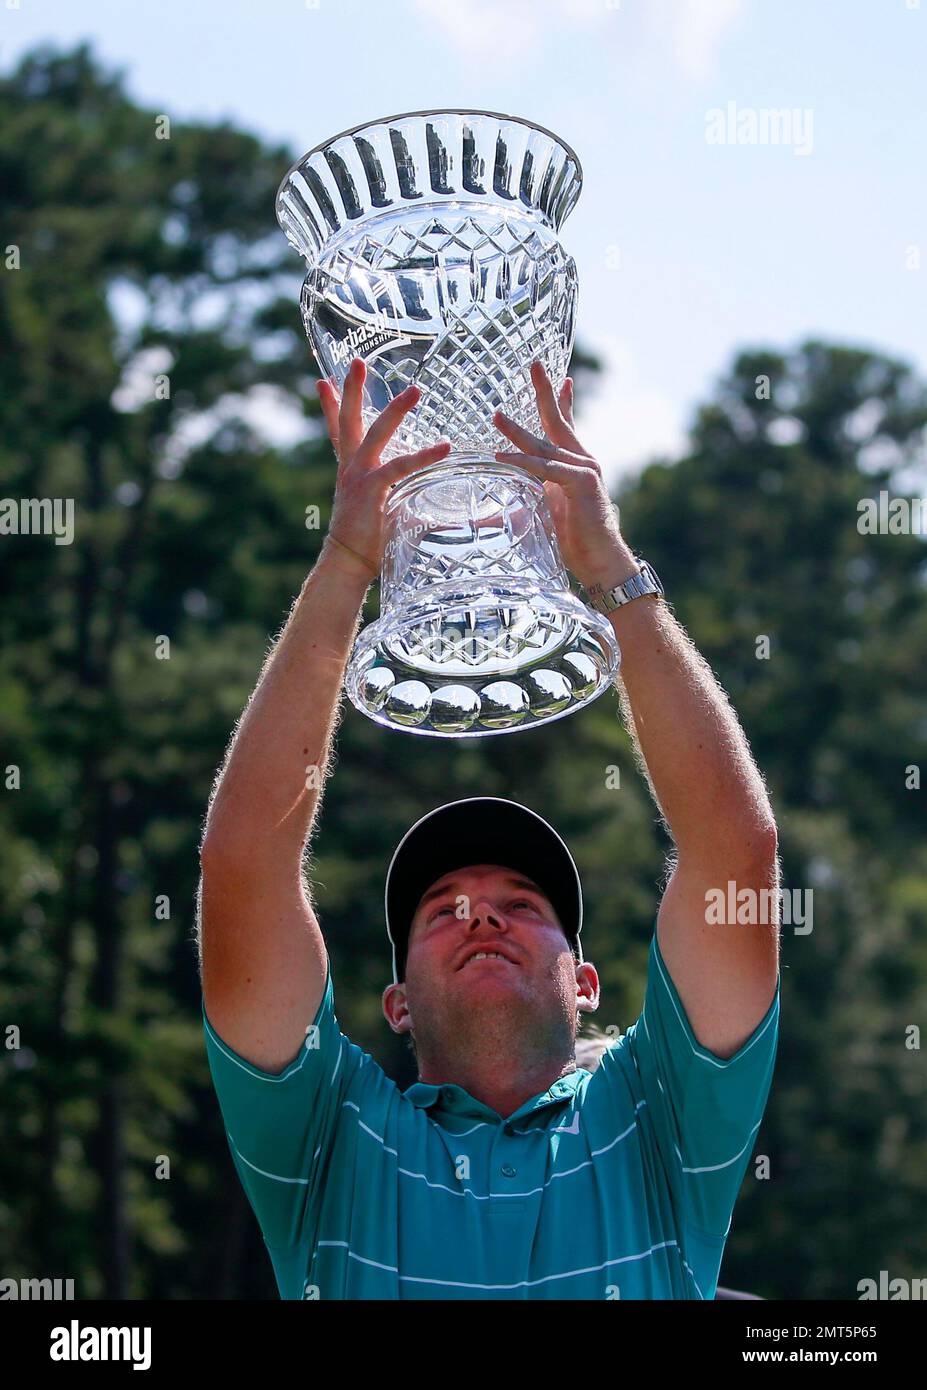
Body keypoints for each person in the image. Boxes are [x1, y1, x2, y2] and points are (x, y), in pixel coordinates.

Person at [197, 357, 780, 1300]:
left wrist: (608, 569)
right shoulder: (332, 1136)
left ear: (585, 983)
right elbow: (242, 871)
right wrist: (346, 566)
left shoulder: (657, 1119)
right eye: (440, 908)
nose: (480, 912)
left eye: (521, 902)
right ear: (394, 1005)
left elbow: (735, 857)